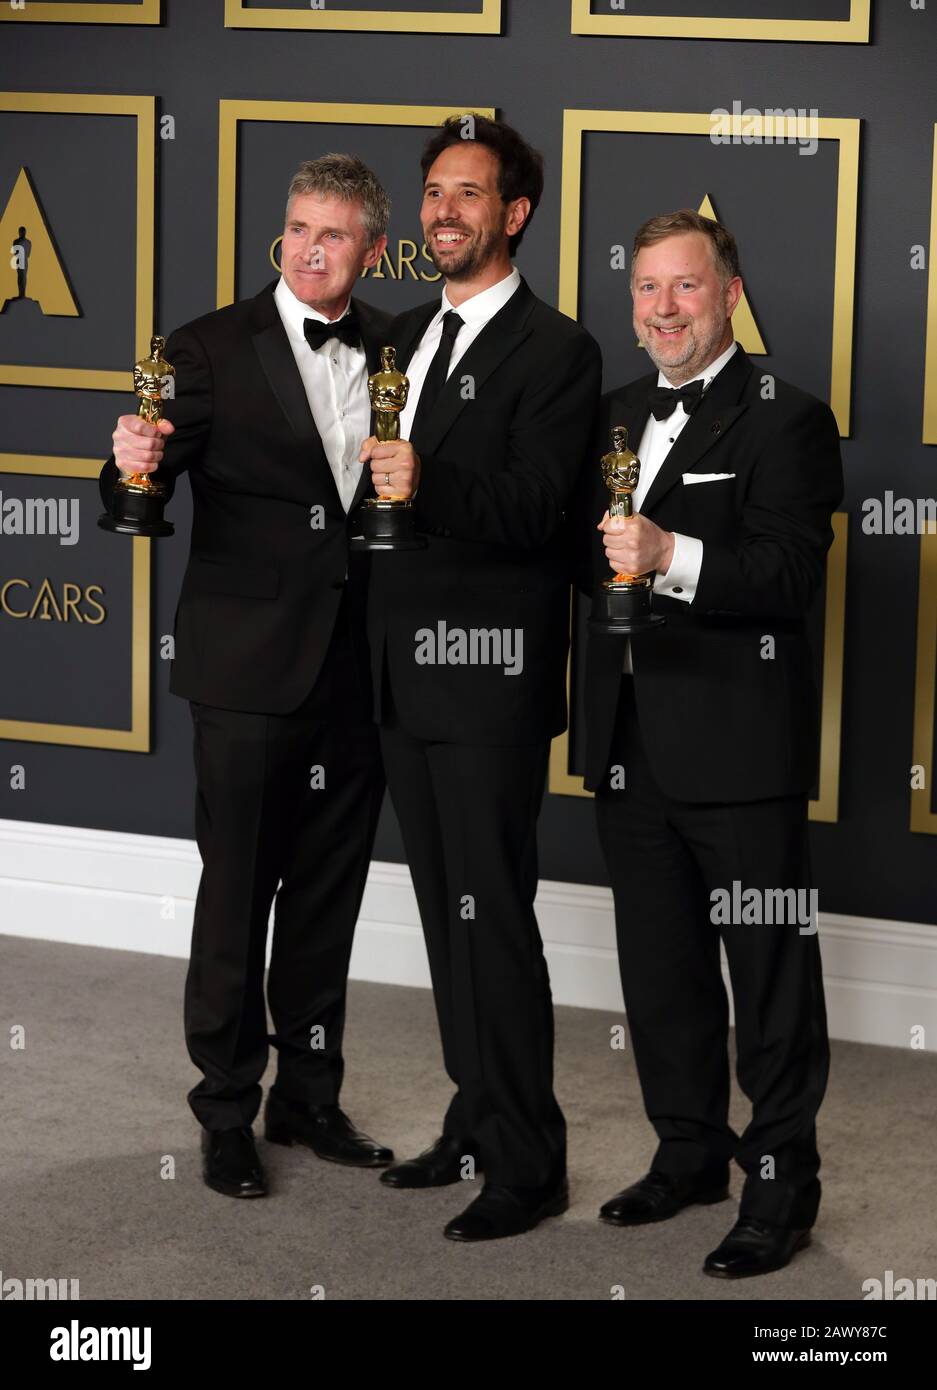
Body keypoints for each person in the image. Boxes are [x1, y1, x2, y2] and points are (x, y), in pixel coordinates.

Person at [99, 155, 395, 1199]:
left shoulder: (395, 348)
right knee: (236, 895)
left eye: (334, 233)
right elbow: (138, 472)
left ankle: (308, 1097)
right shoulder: (208, 347)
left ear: (371, 246)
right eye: (297, 228)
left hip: (358, 675)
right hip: (244, 676)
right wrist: (126, 456)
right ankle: (224, 1111)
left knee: (328, 897)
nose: (312, 248)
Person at [574, 209, 843, 1277]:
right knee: (662, 969)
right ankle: (687, 1152)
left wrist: (670, 550)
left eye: (683, 287)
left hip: (738, 751)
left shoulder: (788, 418)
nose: (662, 308)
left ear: (727, 294)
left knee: (768, 977)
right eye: (646, 288)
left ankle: (779, 1188)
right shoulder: (612, 414)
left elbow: (789, 576)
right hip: (627, 742)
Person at [358, 115, 602, 1242]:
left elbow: (541, 514)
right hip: (401, 675)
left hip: (490, 679)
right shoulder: (400, 334)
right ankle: (473, 1110)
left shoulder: (559, 352)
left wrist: (423, 484)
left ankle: (528, 1158)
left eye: (467, 194)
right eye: (432, 193)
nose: (441, 212)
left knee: (491, 913)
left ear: (514, 214)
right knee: (440, 909)